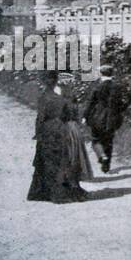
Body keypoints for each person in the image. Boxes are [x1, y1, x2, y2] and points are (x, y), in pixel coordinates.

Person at [27, 72, 87, 203]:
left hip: (47, 130)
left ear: (45, 83)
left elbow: (40, 118)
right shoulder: (62, 100)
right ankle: (62, 191)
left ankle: (44, 192)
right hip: (61, 130)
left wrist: (37, 133)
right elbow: (69, 115)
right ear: (55, 82)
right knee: (61, 160)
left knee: (46, 161)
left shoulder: (43, 98)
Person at [85, 63, 128, 174]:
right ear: (112, 73)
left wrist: (85, 116)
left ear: (101, 74)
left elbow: (90, 102)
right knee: (108, 141)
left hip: (98, 117)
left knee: (95, 140)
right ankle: (106, 166)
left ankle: (102, 155)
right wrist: (120, 110)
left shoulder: (97, 87)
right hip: (112, 119)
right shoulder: (118, 87)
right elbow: (127, 99)